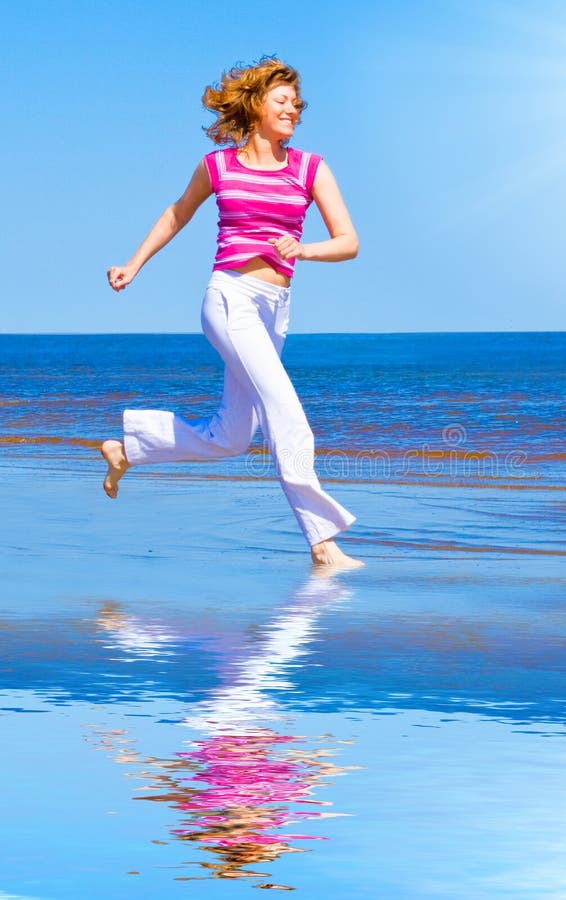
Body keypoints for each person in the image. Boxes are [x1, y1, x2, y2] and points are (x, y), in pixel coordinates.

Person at [102, 57, 363, 571]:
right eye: (282, 100)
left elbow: (349, 242)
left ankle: (129, 449)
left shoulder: (310, 168)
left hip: (276, 308)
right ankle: (322, 543)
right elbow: (177, 212)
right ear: (256, 105)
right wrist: (133, 264)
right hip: (231, 298)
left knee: (231, 437)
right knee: (288, 417)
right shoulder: (218, 166)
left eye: (297, 103)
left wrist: (304, 249)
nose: (293, 109)